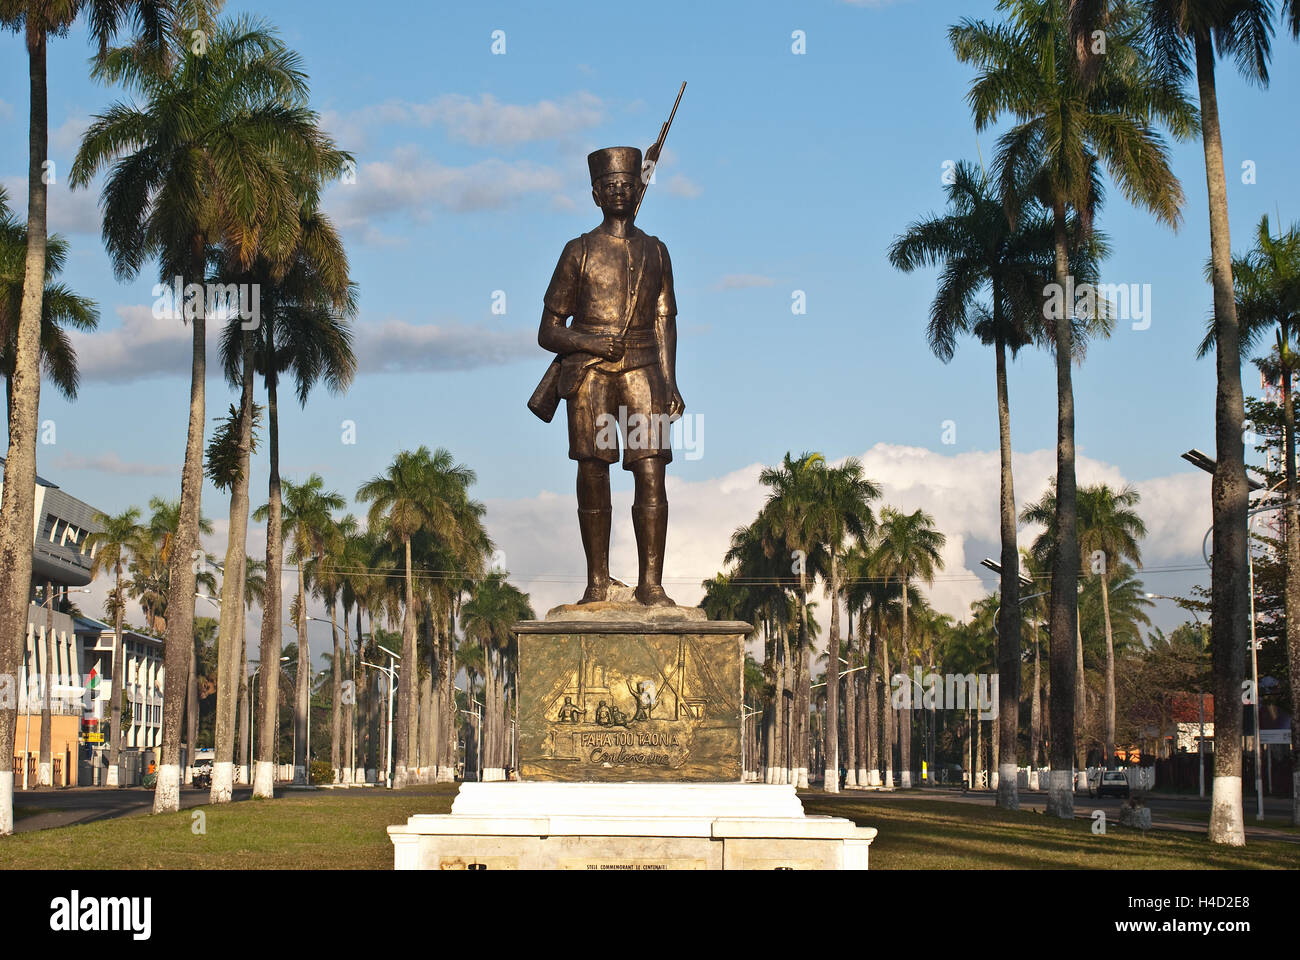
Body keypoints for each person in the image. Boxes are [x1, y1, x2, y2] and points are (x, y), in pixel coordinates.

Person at [536, 146, 684, 607]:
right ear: (596, 195)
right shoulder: (578, 251)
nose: (619, 191)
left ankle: (651, 584)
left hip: (645, 370)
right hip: (591, 374)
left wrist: (670, 381)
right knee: (593, 470)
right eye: (610, 185)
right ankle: (597, 582)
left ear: (639, 190)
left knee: (651, 470)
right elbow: (548, 330)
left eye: (627, 184)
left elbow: (665, 319)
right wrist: (592, 343)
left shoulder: (656, 250)